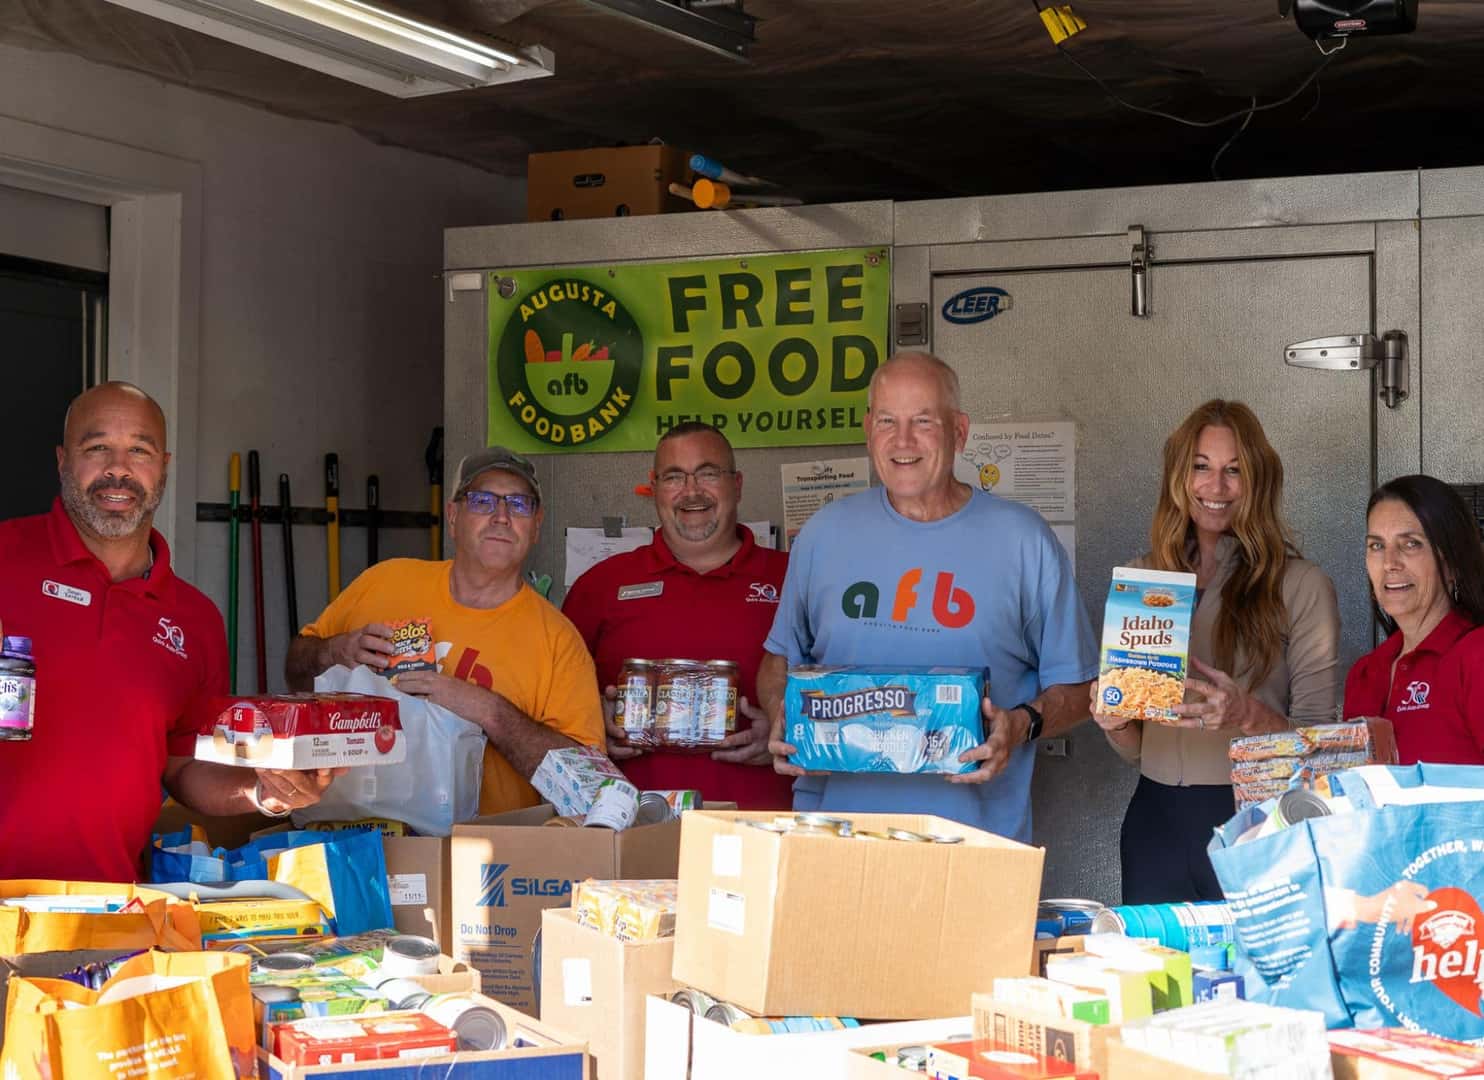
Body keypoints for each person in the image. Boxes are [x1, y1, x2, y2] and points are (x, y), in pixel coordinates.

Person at [0, 382, 334, 882]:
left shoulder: (195, 620)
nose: (118, 468)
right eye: (97, 448)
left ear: (164, 466)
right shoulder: (6, 557)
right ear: (62, 460)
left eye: (140, 449)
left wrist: (265, 791)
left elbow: (184, 769)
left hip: (108, 909)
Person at [757, 352, 1097, 842]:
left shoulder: (1023, 540)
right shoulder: (823, 535)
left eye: (923, 422)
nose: (903, 442)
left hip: (976, 846)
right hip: (835, 844)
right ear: (868, 427)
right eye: (888, 421)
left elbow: (1084, 691)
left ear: (959, 432)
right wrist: (779, 713)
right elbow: (778, 660)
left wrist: (1019, 726)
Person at [1092, 400, 1340, 903]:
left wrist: (1248, 715)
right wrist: (1114, 722)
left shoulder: (1301, 584)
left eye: (1235, 471)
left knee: (1252, 980)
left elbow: (1323, 749)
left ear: (1259, 482)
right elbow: (1139, 747)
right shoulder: (1144, 579)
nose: (1216, 486)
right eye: (1201, 467)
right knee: (1156, 973)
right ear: (1179, 478)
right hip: (1154, 822)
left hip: (1253, 820)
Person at [286, 446, 604, 815]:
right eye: (483, 500)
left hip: (486, 860)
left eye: (519, 504)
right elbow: (295, 675)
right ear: (453, 517)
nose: (501, 516)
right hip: (353, 836)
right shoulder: (384, 581)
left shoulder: (559, 642)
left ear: (535, 526)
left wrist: (490, 712)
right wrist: (332, 651)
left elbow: (590, 788)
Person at [563, 422, 793, 809]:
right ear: (653, 489)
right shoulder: (600, 585)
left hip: (763, 830)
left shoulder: (792, 578)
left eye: (707, 473)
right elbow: (553, 704)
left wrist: (786, 734)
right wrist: (591, 720)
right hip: (632, 832)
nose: (691, 491)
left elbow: (837, 688)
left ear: (736, 485)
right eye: (674, 477)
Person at [1343, 474, 1484, 764]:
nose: (1390, 563)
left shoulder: (1475, 656)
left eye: (1411, 544)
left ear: (1451, 563)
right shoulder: (1363, 674)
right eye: (1377, 546)